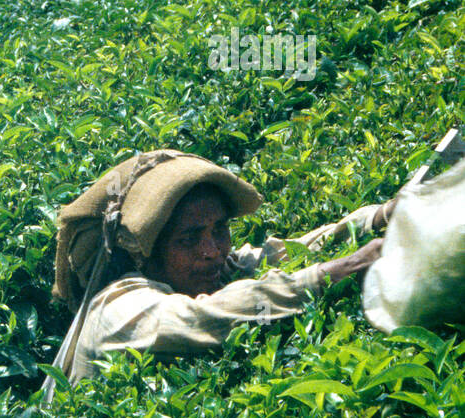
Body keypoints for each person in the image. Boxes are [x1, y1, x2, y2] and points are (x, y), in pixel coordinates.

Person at [46, 149, 397, 398]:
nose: (212, 250)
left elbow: (282, 253)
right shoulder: (118, 308)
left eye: (219, 230)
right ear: (145, 254)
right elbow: (202, 318)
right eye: (189, 239)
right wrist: (337, 272)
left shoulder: (204, 269)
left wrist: (377, 217)